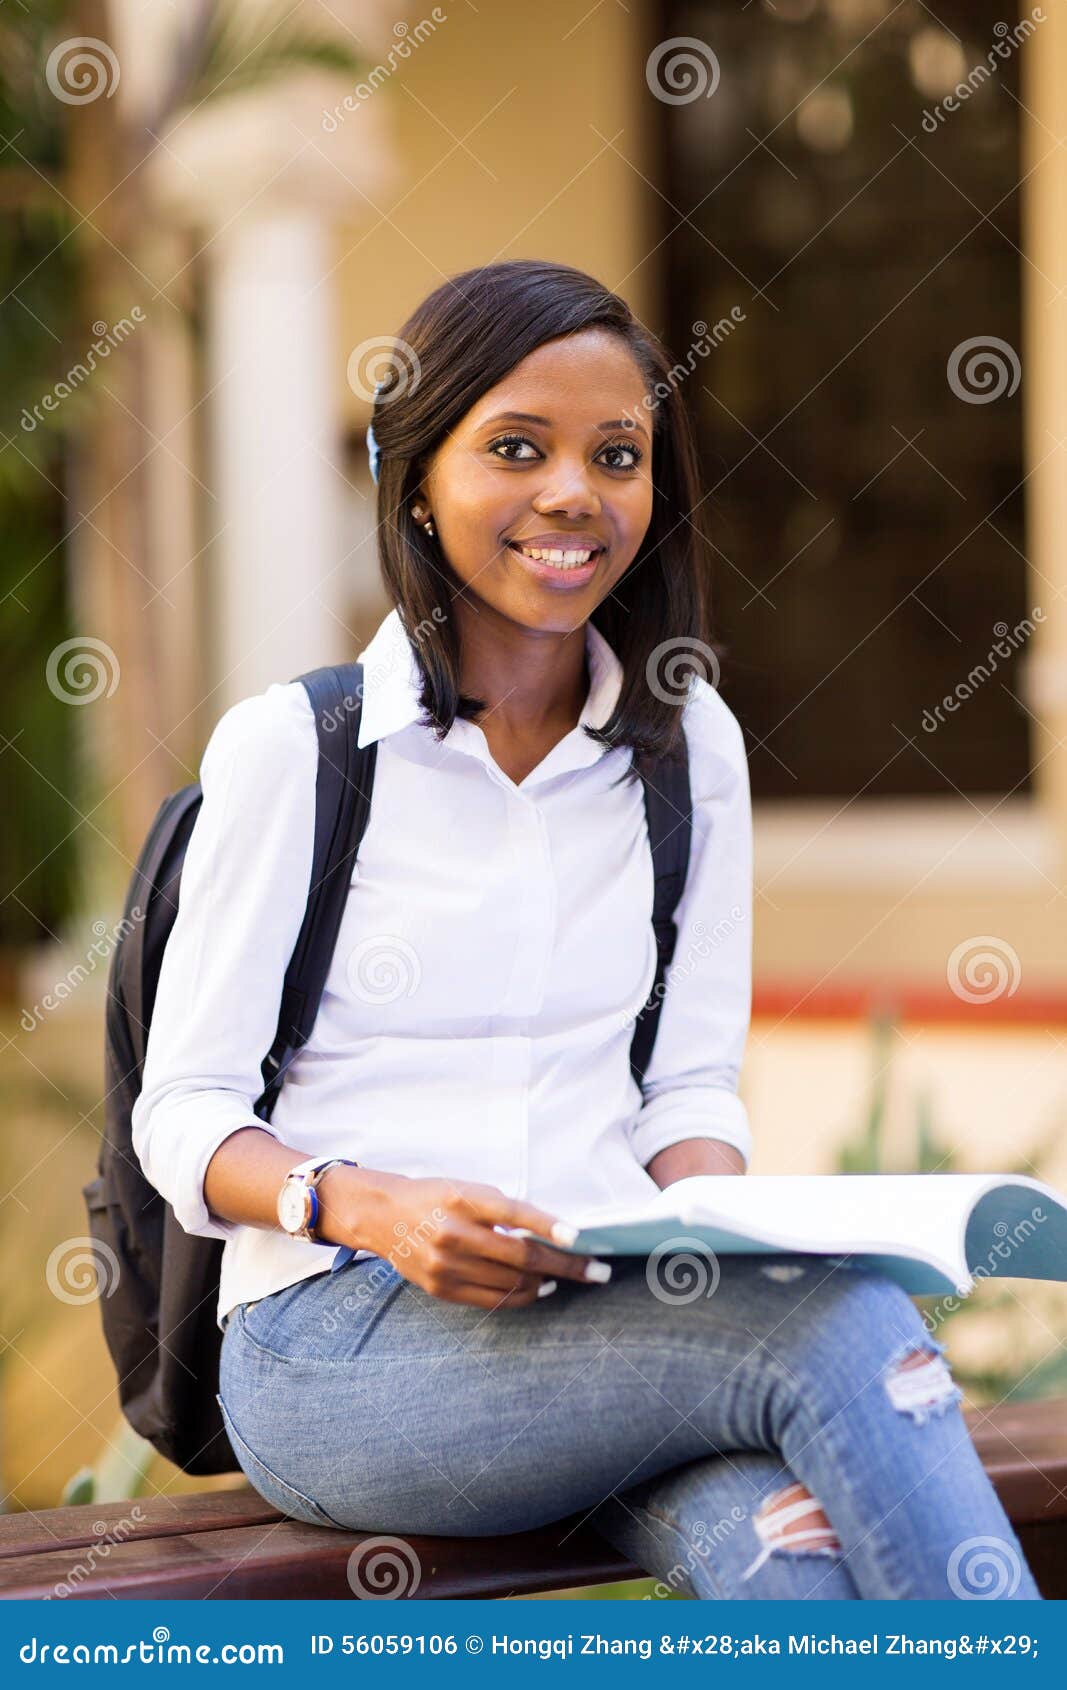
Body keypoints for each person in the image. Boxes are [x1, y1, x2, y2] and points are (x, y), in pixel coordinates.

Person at [131, 259, 1040, 1601]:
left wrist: (715, 1236)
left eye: (618, 454)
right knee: (844, 1329)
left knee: (791, 1565)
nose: (574, 493)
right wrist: (375, 1207)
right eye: (516, 448)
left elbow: (688, 1085)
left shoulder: (687, 748)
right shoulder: (303, 750)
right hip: (339, 1344)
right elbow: (183, 1115)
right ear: (417, 480)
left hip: (612, 1318)